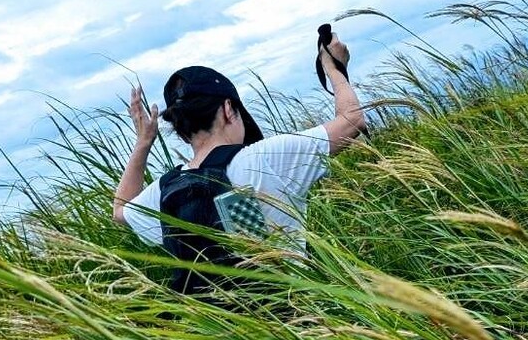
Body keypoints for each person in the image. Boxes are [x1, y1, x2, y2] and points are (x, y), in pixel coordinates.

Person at [112, 33, 364, 291]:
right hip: (292, 319)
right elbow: (352, 121)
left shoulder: (166, 189)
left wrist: (143, 142)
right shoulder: (266, 157)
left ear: (179, 130)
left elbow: (120, 211)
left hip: (214, 325)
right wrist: (333, 66)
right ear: (229, 109)